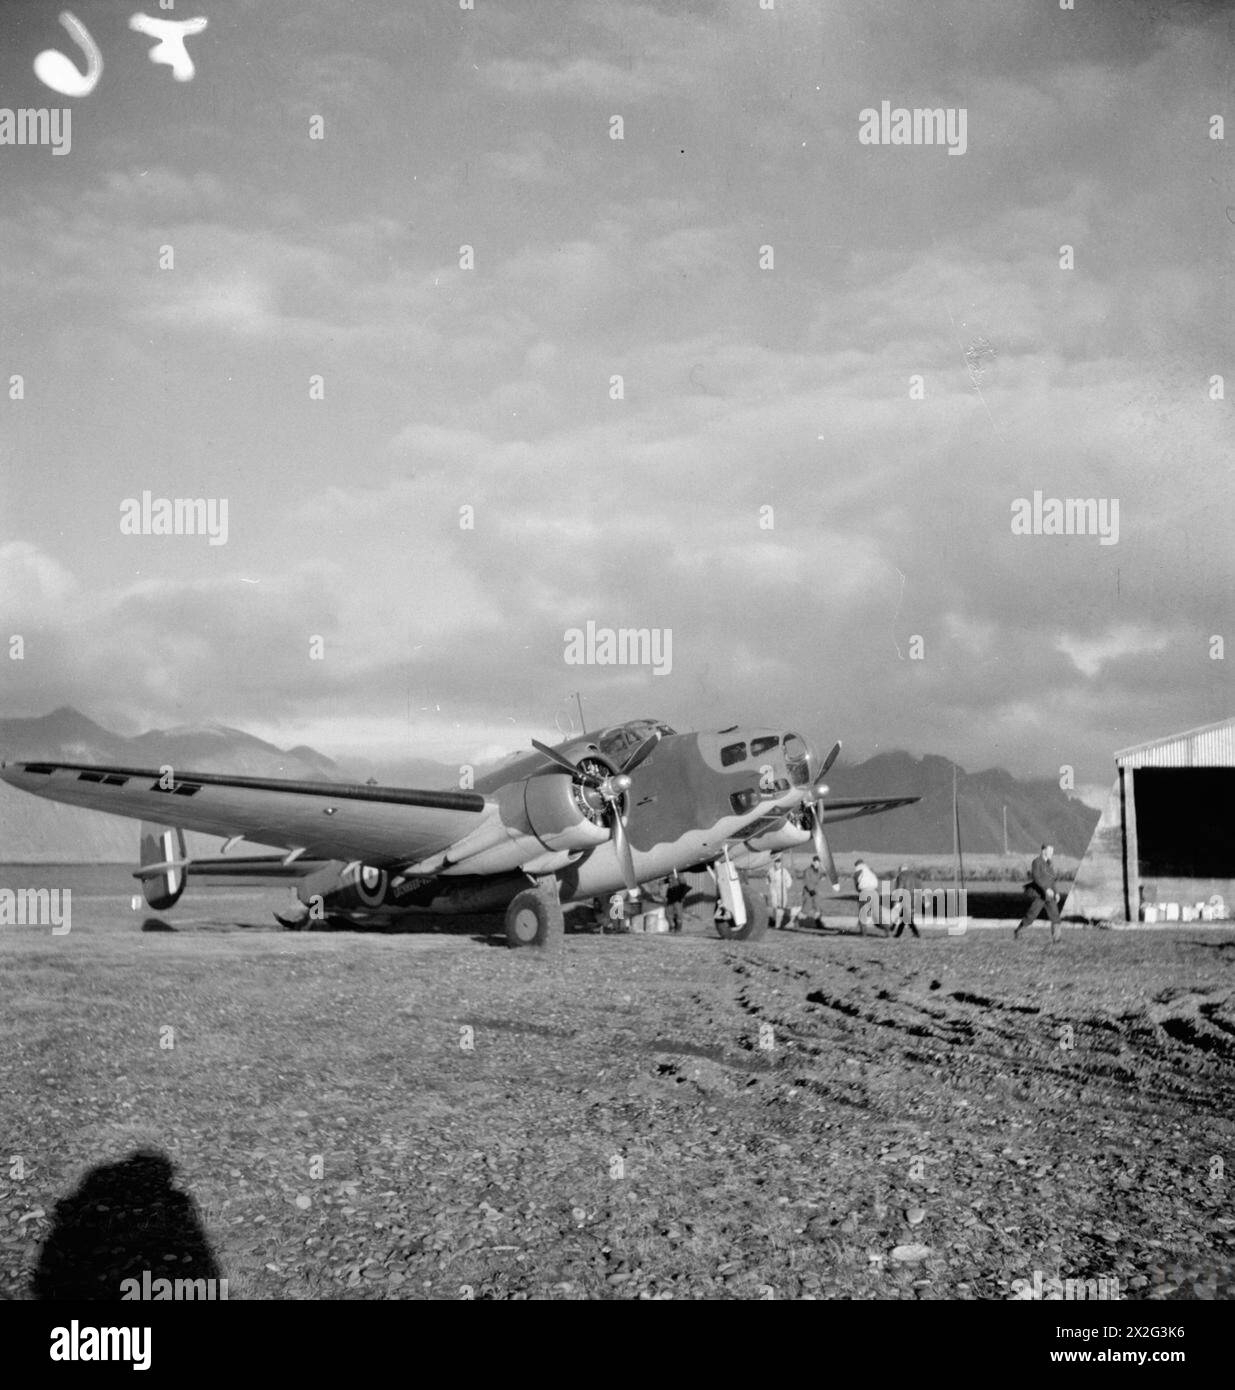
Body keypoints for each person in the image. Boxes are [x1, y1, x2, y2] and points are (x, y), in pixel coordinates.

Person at [1015, 844, 1062, 942]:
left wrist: (1056, 892)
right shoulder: (1036, 862)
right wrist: (1046, 889)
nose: (1052, 853)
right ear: (1044, 850)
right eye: (1050, 851)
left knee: (1056, 917)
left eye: (1052, 851)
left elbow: (1052, 880)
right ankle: (1018, 932)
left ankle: (1057, 939)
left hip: (1050, 896)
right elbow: (1036, 878)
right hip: (1040, 895)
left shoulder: (1050, 863)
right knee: (1031, 916)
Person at [853, 857, 881, 934]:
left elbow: (857, 887)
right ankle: (887, 930)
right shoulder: (870, 871)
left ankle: (863, 932)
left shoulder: (857, 872)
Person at [892, 863, 921, 938]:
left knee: (906, 916)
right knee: (906, 915)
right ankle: (896, 932)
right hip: (913, 897)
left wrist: (897, 900)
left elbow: (899, 888)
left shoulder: (901, 876)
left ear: (901, 869)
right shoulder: (914, 875)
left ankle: (915, 933)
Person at [767, 855, 794, 930]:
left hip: (782, 891)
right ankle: (775, 922)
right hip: (774, 891)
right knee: (775, 906)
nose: (777, 864)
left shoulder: (784, 871)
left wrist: (787, 886)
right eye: (776, 862)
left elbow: (789, 880)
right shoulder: (770, 870)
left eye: (778, 863)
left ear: (781, 863)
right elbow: (768, 879)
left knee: (781, 907)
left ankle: (779, 924)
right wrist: (769, 883)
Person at [800, 854, 824, 927]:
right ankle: (797, 922)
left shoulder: (818, 872)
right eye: (816, 862)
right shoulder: (807, 871)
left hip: (815, 893)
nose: (817, 864)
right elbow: (807, 881)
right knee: (805, 909)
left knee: (818, 908)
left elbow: (817, 881)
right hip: (808, 893)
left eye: (818, 863)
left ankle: (818, 923)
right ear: (813, 862)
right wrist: (811, 890)